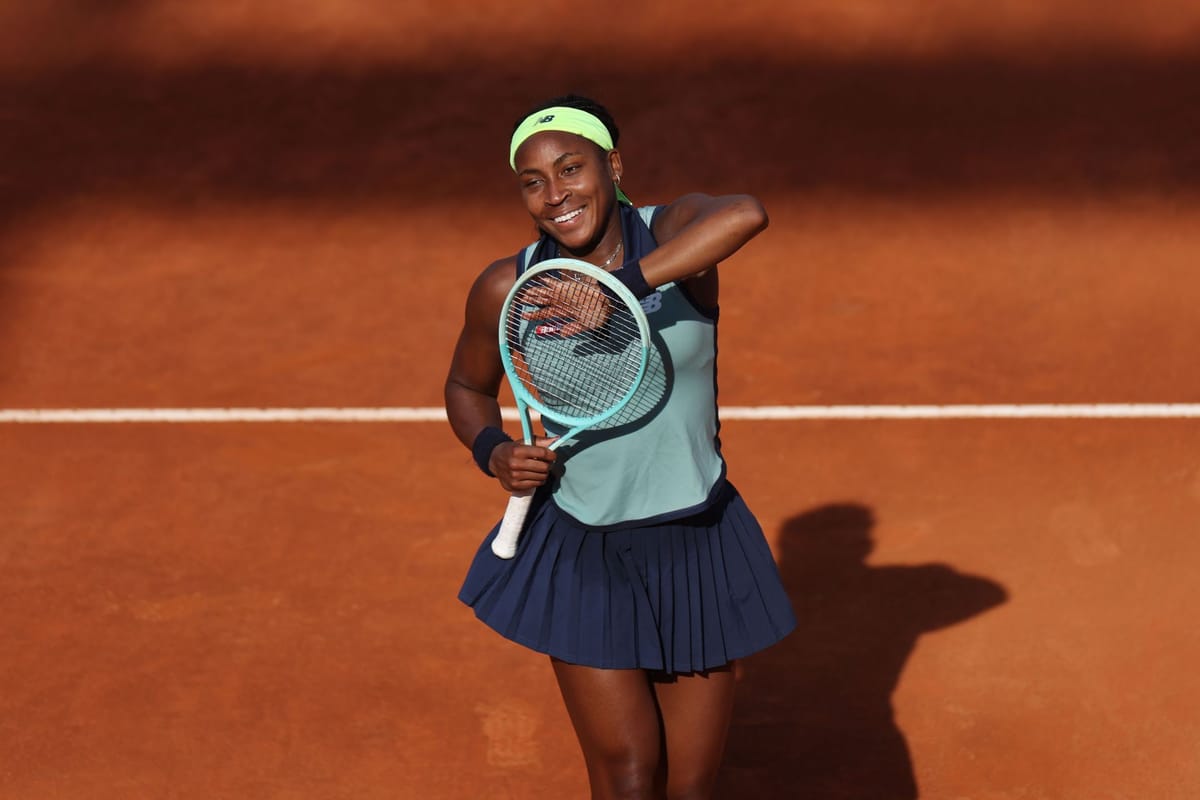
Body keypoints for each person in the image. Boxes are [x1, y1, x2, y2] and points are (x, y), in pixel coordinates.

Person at [445, 94, 796, 800]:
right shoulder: (508, 287)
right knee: (628, 778)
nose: (555, 195)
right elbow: (464, 385)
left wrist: (619, 289)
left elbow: (747, 214)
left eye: (572, 169)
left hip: (696, 539)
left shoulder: (673, 238)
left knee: (689, 788)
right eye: (533, 182)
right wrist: (492, 449)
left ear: (613, 166)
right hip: (583, 548)